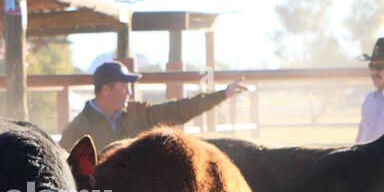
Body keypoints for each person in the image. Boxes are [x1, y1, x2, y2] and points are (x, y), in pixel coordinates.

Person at [59, 61, 248, 152]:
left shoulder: (138, 113)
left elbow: (179, 109)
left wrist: (223, 94)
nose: (129, 92)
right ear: (106, 90)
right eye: (124, 87)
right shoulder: (77, 130)